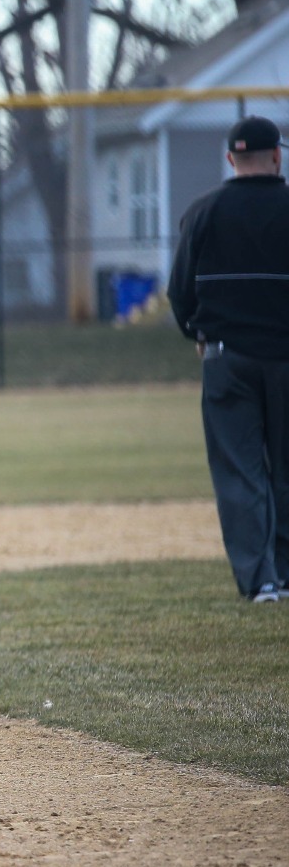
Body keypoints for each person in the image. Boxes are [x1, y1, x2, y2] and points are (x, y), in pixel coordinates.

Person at [168, 114, 289, 604]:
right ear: (278, 156)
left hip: (227, 358)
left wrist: (196, 331)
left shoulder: (202, 212)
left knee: (240, 470)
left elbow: (180, 293)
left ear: (230, 159)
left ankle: (260, 581)